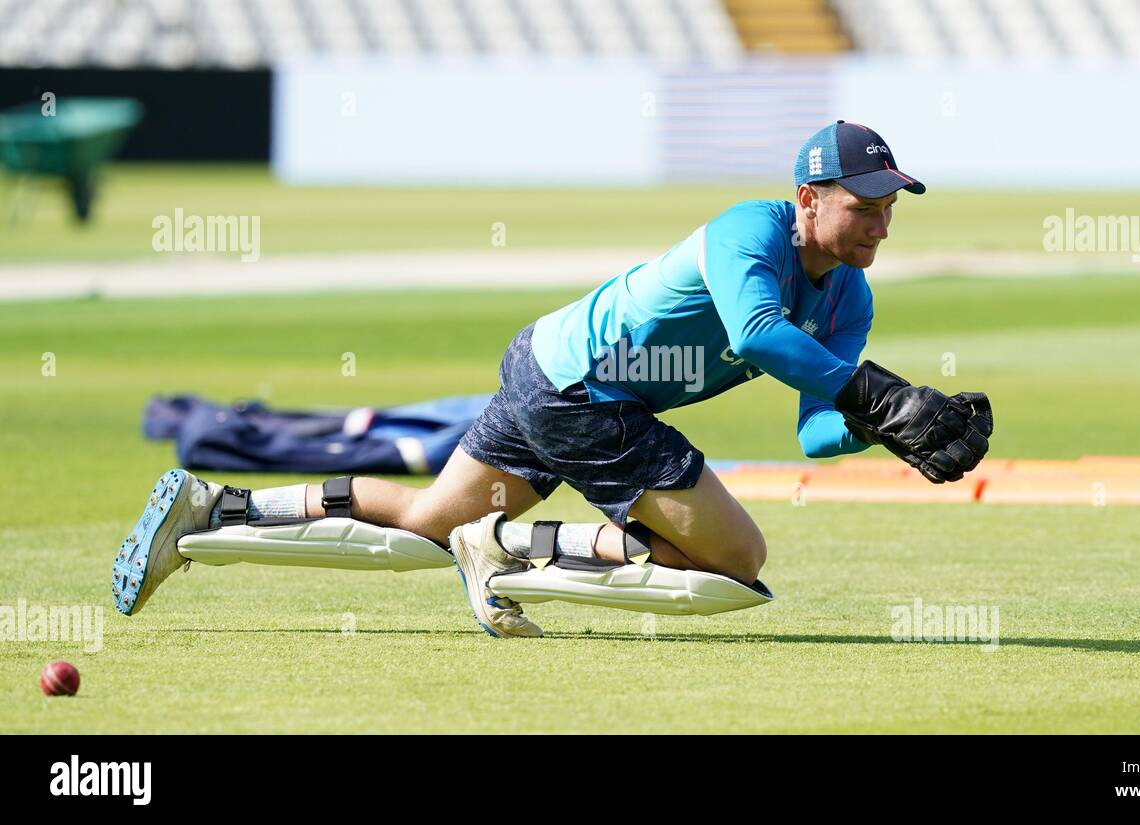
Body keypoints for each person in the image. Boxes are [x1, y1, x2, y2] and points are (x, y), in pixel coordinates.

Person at [111, 121, 993, 639]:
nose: (879, 223)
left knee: (425, 524)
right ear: (807, 199)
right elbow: (759, 335)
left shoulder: (850, 298)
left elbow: (813, 429)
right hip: (584, 392)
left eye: (887, 208)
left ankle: (211, 508)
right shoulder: (747, 232)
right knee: (737, 562)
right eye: (861, 205)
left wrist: (888, 429)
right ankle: (510, 552)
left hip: (554, 372)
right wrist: (876, 393)